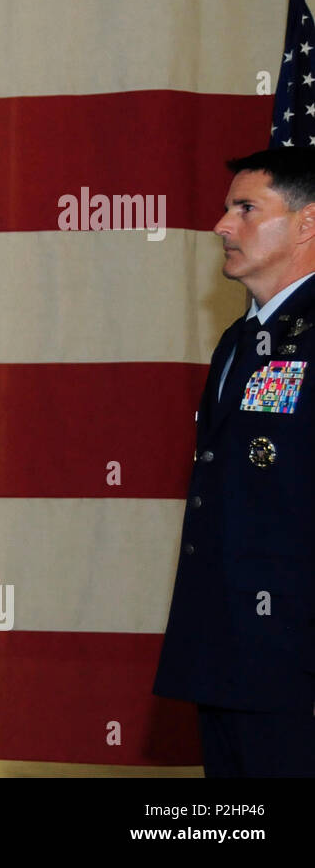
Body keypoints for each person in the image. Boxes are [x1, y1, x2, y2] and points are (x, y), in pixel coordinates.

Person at [154, 147, 315, 777]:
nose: (222, 225)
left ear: (307, 223)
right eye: (227, 209)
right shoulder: (237, 341)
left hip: (293, 651)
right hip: (228, 646)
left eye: (246, 209)